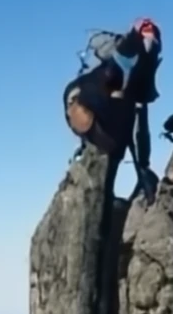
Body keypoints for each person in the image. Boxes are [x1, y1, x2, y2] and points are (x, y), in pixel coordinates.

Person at [63, 18, 162, 198]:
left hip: (87, 105)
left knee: (112, 149)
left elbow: (139, 123)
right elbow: (139, 125)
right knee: (111, 148)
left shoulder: (136, 67)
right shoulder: (127, 54)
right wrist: (143, 165)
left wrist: (143, 165)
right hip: (87, 104)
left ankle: (103, 196)